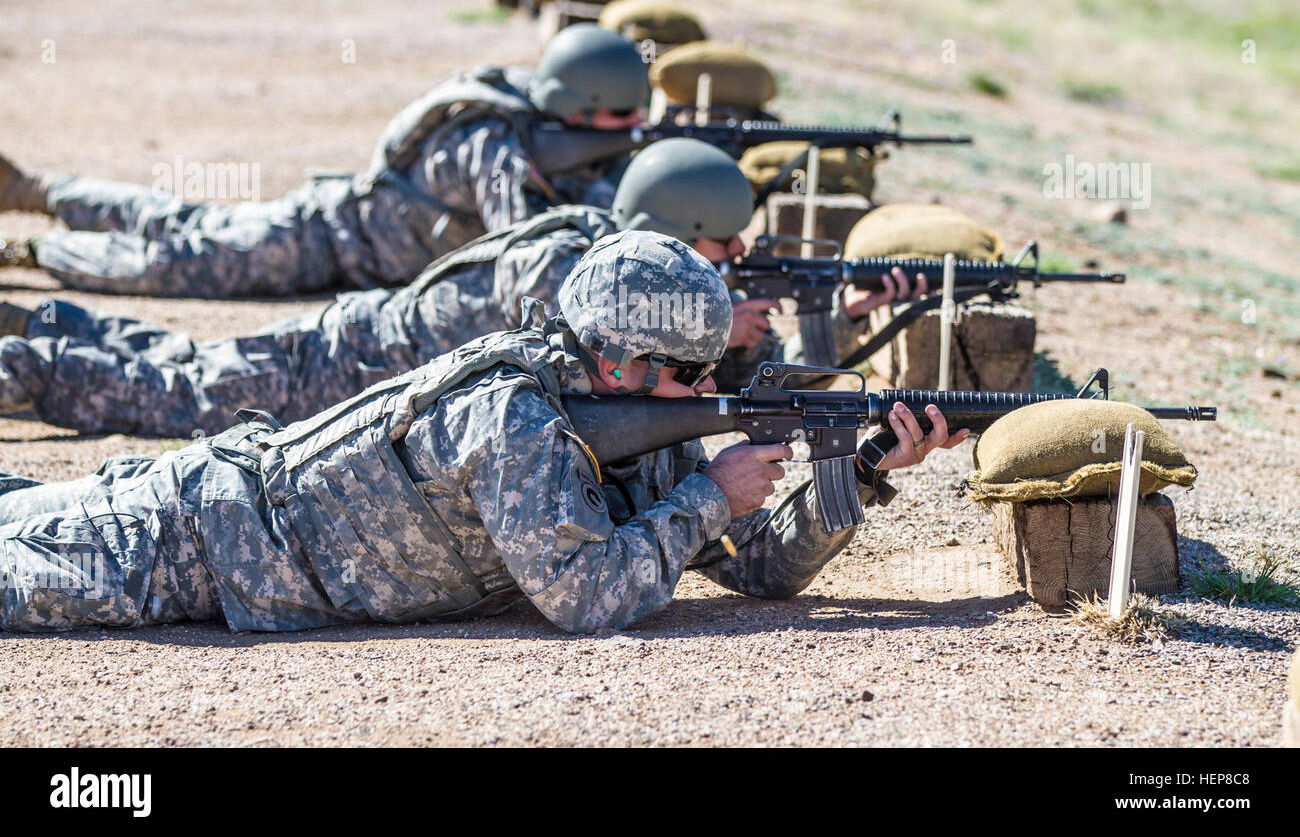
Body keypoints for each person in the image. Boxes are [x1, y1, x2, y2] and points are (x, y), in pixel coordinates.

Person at [0, 231, 967, 635]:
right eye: (689, 373)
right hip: (187, 541)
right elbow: (585, 596)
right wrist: (708, 494)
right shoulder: (514, 415)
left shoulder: (627, 407)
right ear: (623, 362)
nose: (708, 387)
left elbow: (754, 569)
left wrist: (867, 467)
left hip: (220, 532)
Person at [0, 141, 925, 436]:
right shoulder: (578, 274)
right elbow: (600, 391)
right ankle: (23, 360)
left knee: (176, 363)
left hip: (358, 352)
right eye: (724, 245)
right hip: (337, 370)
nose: (733, 256)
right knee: (167, 392)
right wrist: (744, 338)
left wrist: (827, 323)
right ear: (682, 233)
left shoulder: (613, 256)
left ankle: (35, 322)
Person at [0, 24, 647, 298]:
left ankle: (43, 191)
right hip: (323, 240)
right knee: (179, 260)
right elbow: (521, 240)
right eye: (624, 118)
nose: (634, 128)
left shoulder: (547, 133)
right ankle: (30, 247)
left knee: (182, 224)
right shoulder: (491, 139)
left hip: (342, 238)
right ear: (580, 104)